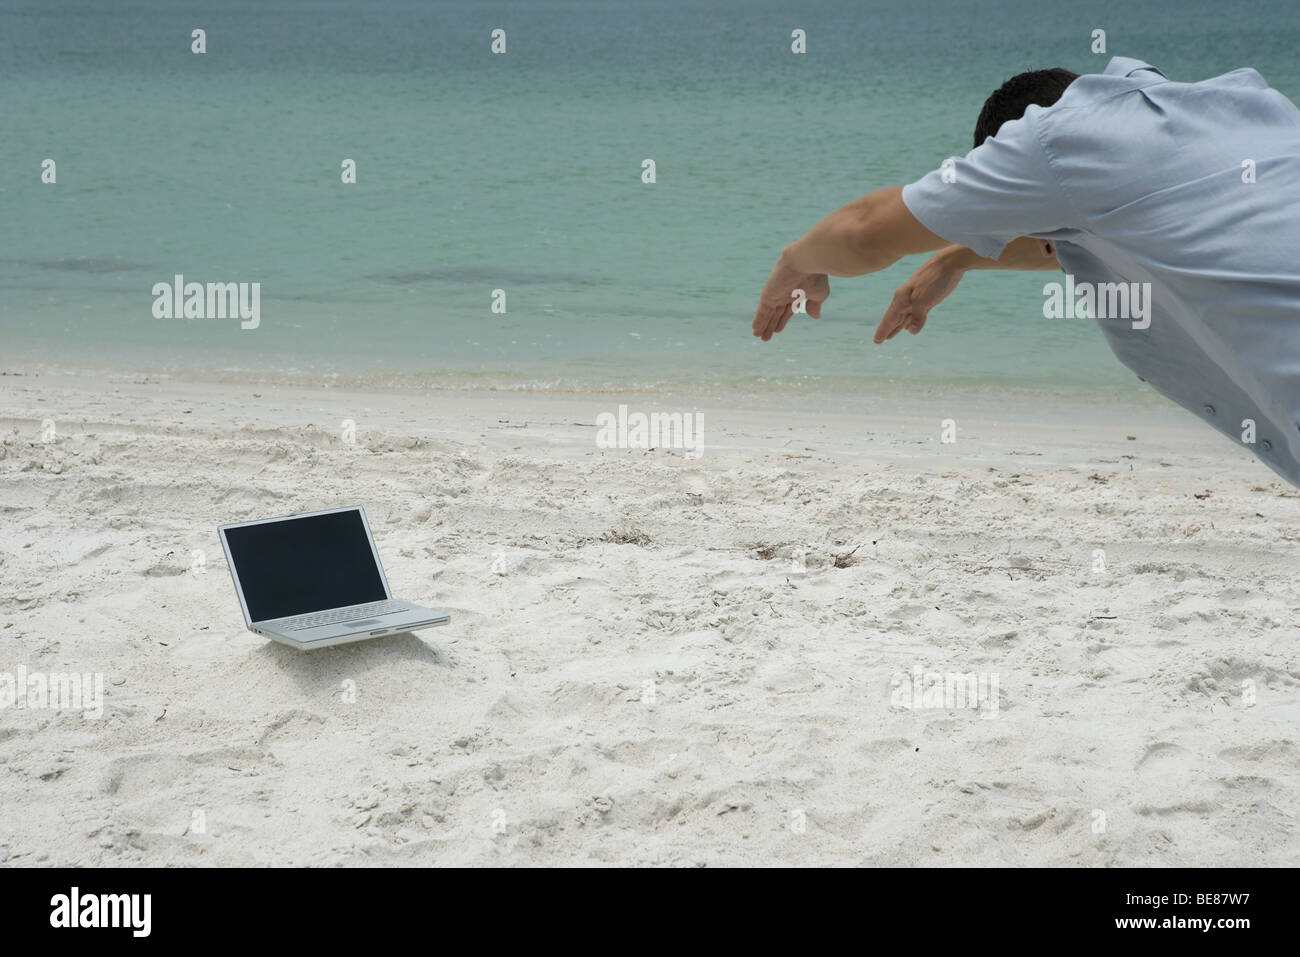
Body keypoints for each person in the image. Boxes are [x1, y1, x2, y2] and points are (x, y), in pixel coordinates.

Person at [752, 57, 1300, 486]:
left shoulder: (1053, 141)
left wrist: (795, 262)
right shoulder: (1246, 107)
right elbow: (1103, 234)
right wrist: (959, 255)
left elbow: (865, 232)